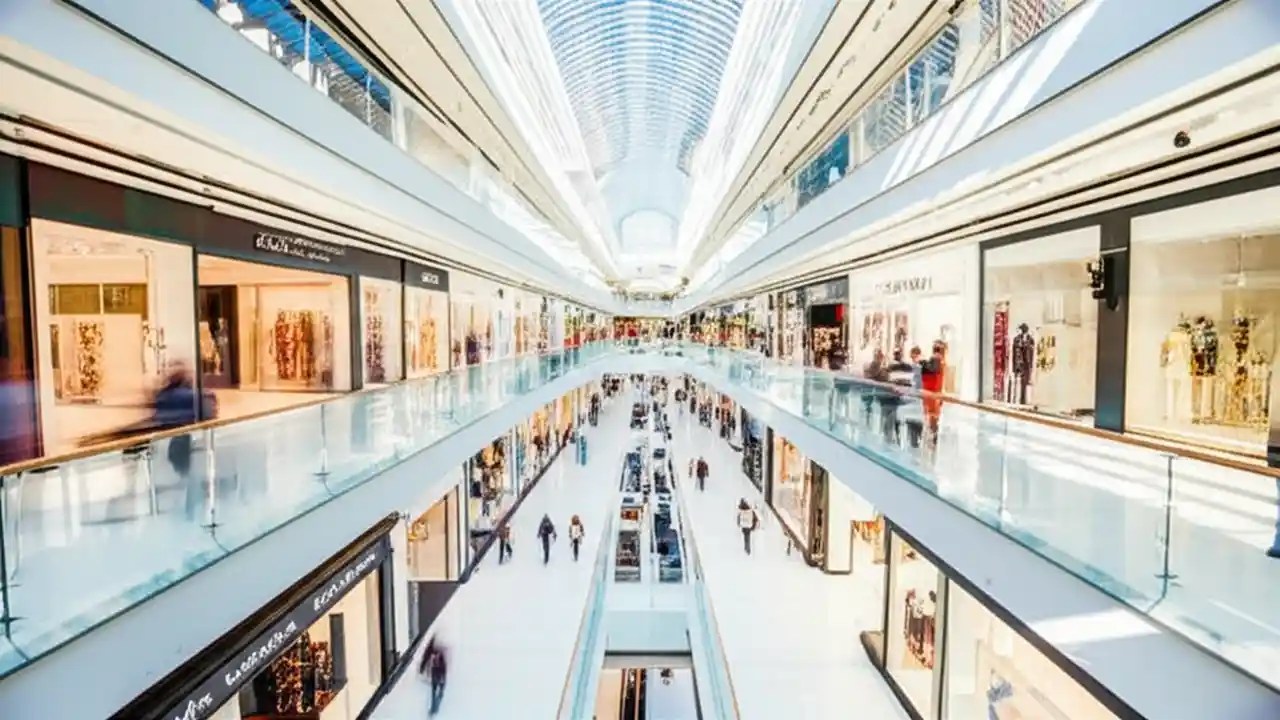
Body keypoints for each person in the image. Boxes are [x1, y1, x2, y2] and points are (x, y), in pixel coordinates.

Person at [419, 636, 448, 715]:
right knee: (438, 692)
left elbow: (426, 658)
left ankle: (434, 708)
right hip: (438, 674)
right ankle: (434, 707)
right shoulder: (439, 655)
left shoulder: (433, 652)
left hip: (436, 673)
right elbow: (444, 666)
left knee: (435, 692)